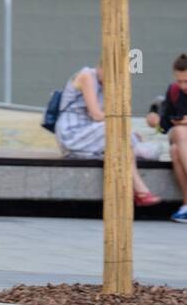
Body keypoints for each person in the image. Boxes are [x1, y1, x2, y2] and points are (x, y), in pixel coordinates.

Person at [56, 63, 161, 206]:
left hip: (93, 134)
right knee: (121, 135)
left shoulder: (106, 84)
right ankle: (141, 191)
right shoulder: (87, 76)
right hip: (73, 133)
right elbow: (96, 114)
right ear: (102, 67)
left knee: (132, 147)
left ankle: (127, 197)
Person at [146, 53, 187, 222]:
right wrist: (155, 121)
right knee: (176, 143)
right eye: (179, 81)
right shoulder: (174, 91)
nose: (183, 86)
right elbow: (165, 126)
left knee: (177, 144)